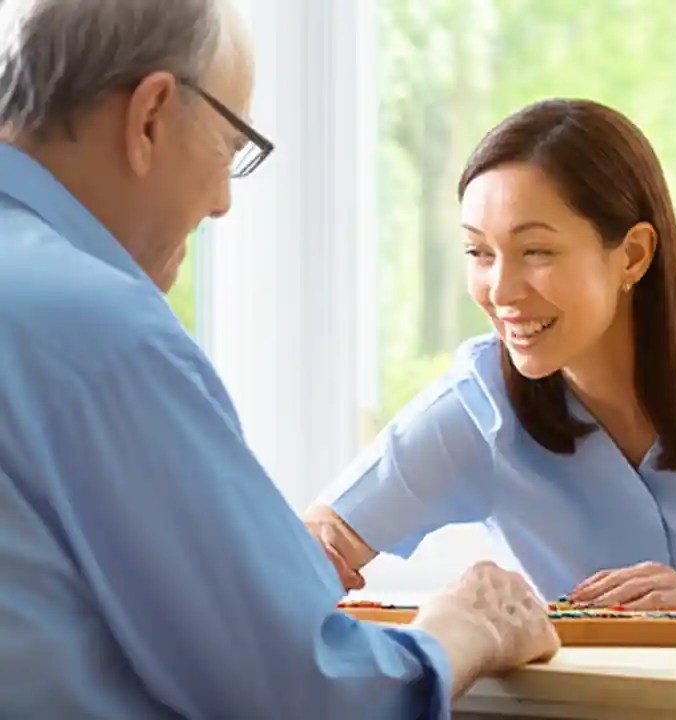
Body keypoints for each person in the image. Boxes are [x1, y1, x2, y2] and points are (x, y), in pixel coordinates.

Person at [0, 0, 557, 717]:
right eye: (230, 151)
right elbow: (306, 694)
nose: (222, 204)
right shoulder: (99, 328)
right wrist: (463, 631)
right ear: (151, 117)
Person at [306, 98, 676, 639]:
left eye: (536, 252)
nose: (501, 289)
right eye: (479, 252)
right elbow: (324, 537)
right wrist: (311, 554)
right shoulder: (480, 404)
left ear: (632, 254)